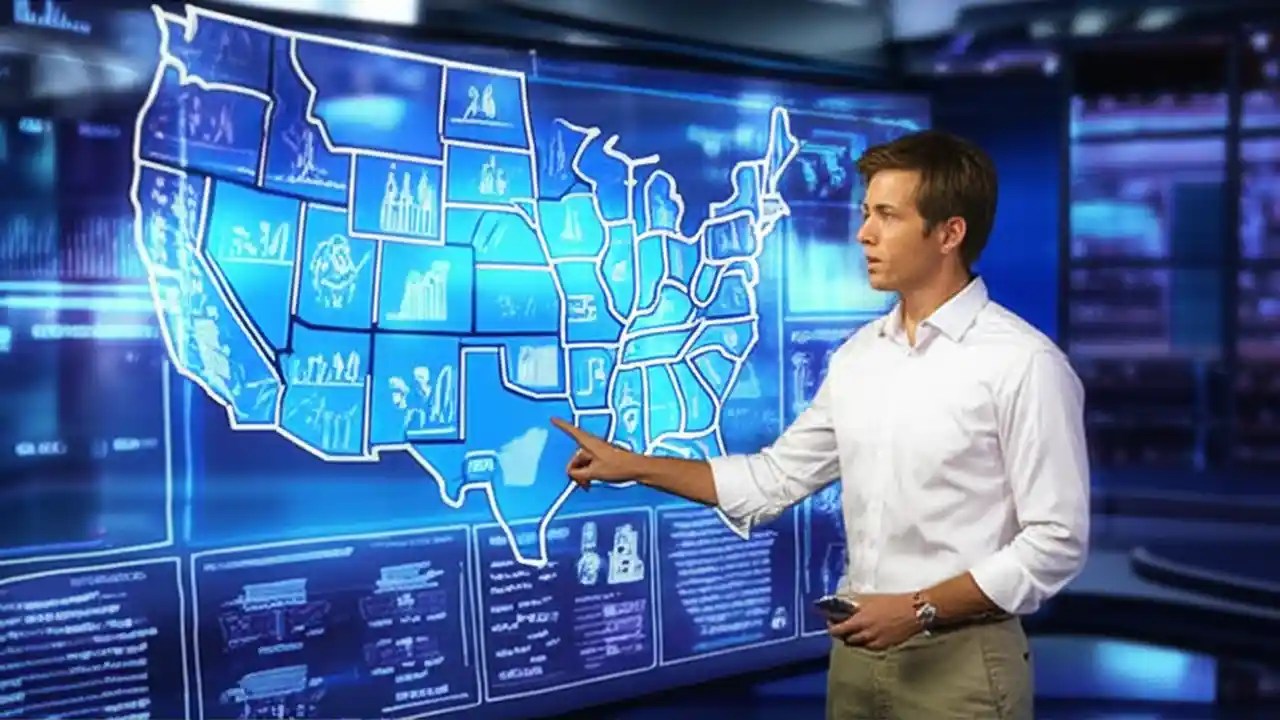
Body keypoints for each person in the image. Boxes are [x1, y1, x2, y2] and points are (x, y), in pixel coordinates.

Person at [551, 129, 1090, 719]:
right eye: (866, 213)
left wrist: (918, 609)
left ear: (949, 233)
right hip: (858, 657)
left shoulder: (1023, 364)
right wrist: (633, 467)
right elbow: (773, 480)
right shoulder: (860, 357)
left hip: (961, 665)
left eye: (887, 215)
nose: (864, 234)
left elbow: (1055, 543)